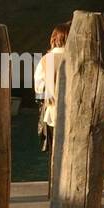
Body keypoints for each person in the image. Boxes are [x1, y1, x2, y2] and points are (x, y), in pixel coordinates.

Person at [33, 23, 68, 177]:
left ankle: (55, 187)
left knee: (55, 154)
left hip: (53, 113)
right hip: (75, 113)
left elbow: (38, 87)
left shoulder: (47, 59)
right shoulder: (76, 57)